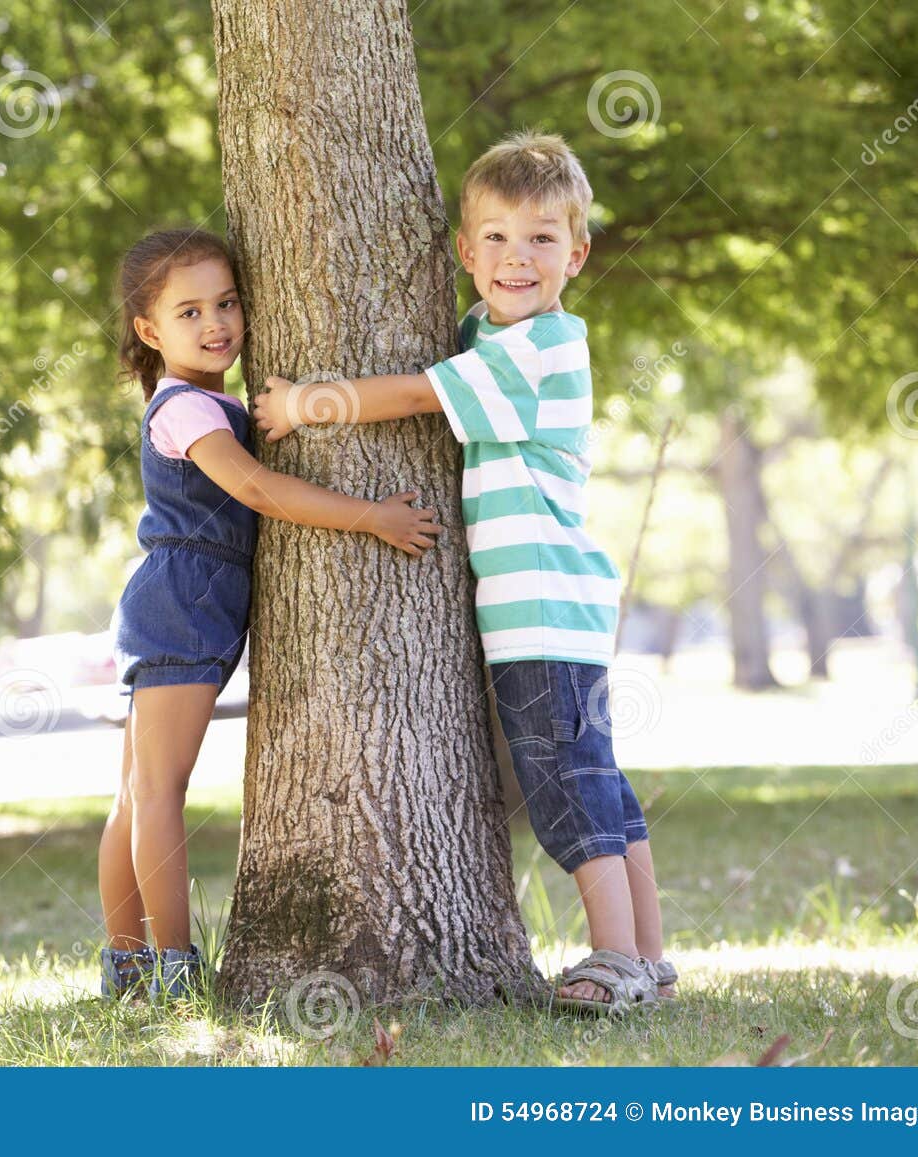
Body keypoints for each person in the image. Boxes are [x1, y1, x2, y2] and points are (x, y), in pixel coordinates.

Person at [253, 132, 675, 1016]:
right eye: (495, 237)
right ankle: (650, 955)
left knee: (565, 786)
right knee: (598, 777)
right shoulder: (493, 330)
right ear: (464, 251)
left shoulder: (542, 347)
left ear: (578, 252)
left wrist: (303, 403)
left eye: (541, 239)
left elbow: (414, 394)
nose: (516, 257)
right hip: (555, 606)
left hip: (542, 608)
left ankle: (616, 957)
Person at [99, 227, 442, 1002]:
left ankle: (126, 968)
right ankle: (171, 967)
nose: (215, 322)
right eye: (189, 312)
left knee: (137, 791)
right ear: (150, 331)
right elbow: (256, 488)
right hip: (181, 604)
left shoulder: (214, 397)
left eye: (226, 303)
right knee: (156, 792)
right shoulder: (186, 410)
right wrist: (370, 517)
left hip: (189, 603)